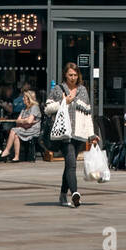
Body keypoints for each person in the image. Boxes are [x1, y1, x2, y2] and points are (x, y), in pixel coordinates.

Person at [46, 63, 93, 206]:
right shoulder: (58, 89)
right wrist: (64, 101)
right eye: (70, 75)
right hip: (65, 134)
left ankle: (62, 195)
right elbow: (47, 109)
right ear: (65, 75)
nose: (73, 78)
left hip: (79, 134)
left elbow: (87, 114)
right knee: (72, 164)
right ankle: (75, 194)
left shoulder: (83, 90)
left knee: (69, 166)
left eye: (75, 75)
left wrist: (91, 135)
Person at [0, 89, 41, 163]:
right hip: (25, 128)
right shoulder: (24, 109)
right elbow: (18, 120)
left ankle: (6, 151)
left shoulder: (34, 107)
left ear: (29, 99)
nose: (22, 99)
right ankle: (16, 157)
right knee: (15, 135)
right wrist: (25, 120)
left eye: (24, 97)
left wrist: (24, 121)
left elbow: (29, 121)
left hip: (32, 130)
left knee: (13, 130)